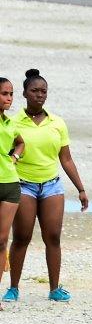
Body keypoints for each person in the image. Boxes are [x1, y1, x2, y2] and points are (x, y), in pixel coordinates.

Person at [4, 70, 88, 304]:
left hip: (51, 185)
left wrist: (81, 189)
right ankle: (13, 288)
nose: (40, 95)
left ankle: (54, 288)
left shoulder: (57, 123)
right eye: (35, 91)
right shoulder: (13, 122)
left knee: (53, 237)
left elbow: (66, 159)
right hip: (23, 185)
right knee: (22, 237)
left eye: (43, 91)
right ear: (24, 94)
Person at [0, 78, 24, 310]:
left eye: (11, 94)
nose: (9, 98)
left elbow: (20, 143)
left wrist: (15, 157)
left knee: (1, 241)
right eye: (4, 94)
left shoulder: (9, 123)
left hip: (10, 184)